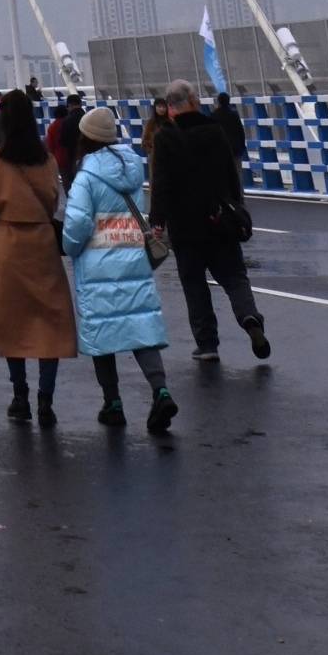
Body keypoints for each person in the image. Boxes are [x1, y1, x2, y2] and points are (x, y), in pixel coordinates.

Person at [59, 107, 179, 435]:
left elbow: (77, 226)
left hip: (98, 265)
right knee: (141, 325)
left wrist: (68, 247)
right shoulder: (131, 167)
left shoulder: (86, 177)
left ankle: (112, 403)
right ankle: (161, 390)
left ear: (86, 138)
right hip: (133, 257)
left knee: (103, 332)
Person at [0, 87, 77, 426]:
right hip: (42, 244)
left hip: (8, 245)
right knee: (49, 321)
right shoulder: (46, 160)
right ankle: (46, 399)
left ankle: (20, 396)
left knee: (11, 320)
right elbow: (53, 201)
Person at [146, 80, 272, 368]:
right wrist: (237, 207)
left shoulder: (165, 137)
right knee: (234, 277)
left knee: (194, 284)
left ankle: (207, 345)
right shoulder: (214, 130)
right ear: (193, 101)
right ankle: (249, 316)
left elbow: (161, 183)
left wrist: (157, 220)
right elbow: (230, 175)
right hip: (219, 219)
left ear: (170, 107)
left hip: (184, 225)